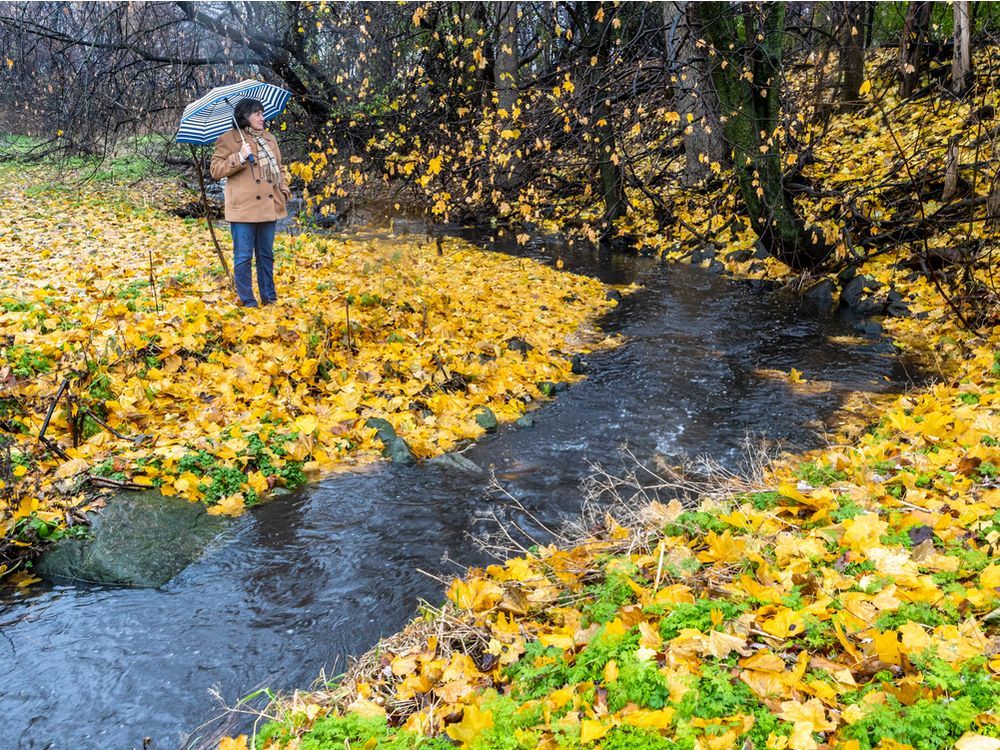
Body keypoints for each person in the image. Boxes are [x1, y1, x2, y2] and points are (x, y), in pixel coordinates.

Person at [210, 98, 292, 307]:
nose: (262, 118)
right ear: (245, 116)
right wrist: (239, 156)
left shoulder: (269, 139)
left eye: (262, 113)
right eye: (257, 114)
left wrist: (283, 189)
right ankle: (248, 301)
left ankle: (270, 298)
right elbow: (215, 171)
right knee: (243, 257)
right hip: (243, 209)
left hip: (268, 206)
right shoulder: (228, 139)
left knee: (266, 255)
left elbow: (280, 168)